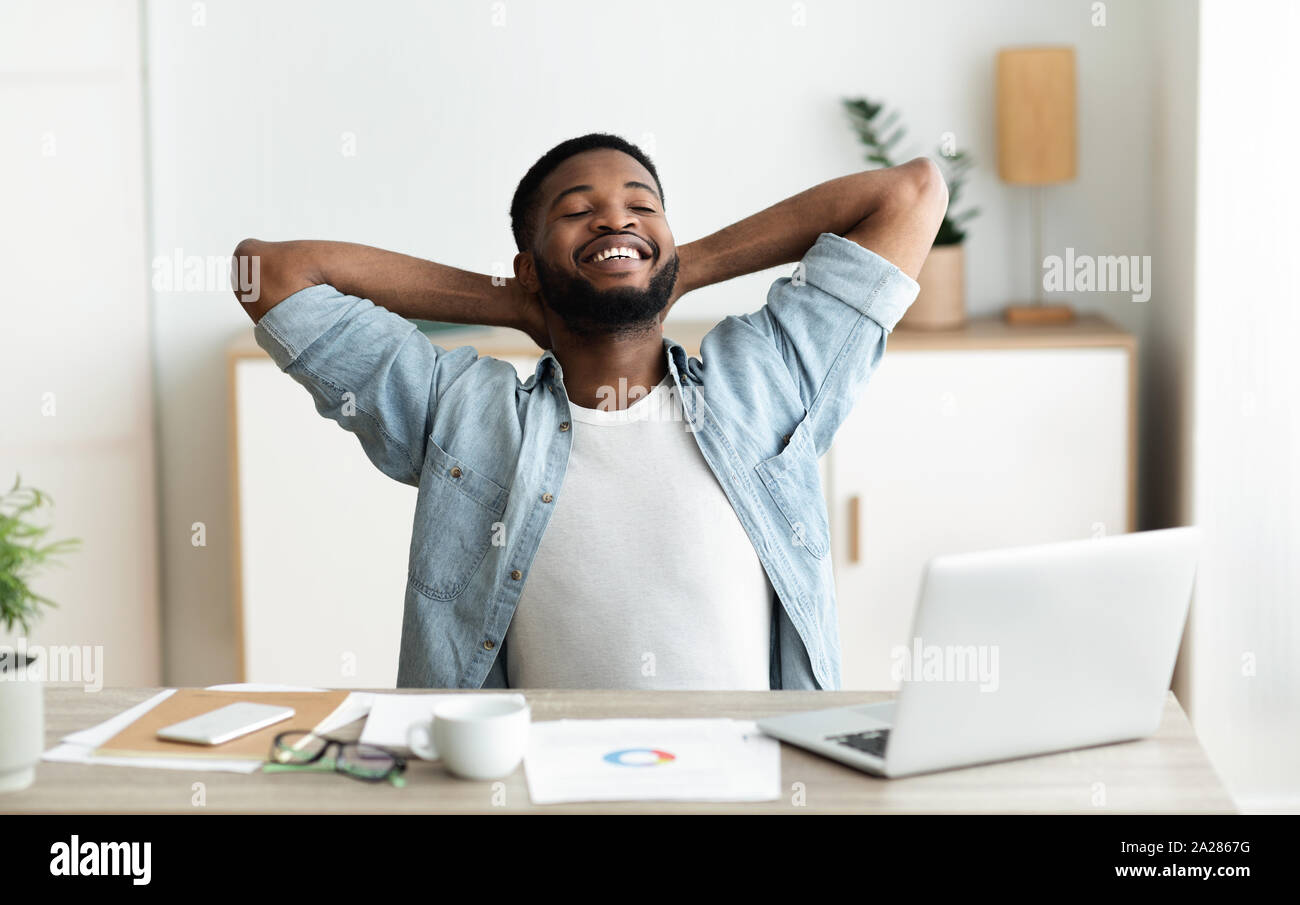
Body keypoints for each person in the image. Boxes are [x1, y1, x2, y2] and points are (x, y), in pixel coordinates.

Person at [232, 132, 947, 691]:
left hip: (749, 783)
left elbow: (912, 192)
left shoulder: (764, 383)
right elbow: (264, 271)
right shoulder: (460, 415)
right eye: (578, 212)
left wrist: (675, 267)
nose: (614, 216)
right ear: (530, 264)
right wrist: (511, 299)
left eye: (643, 207)